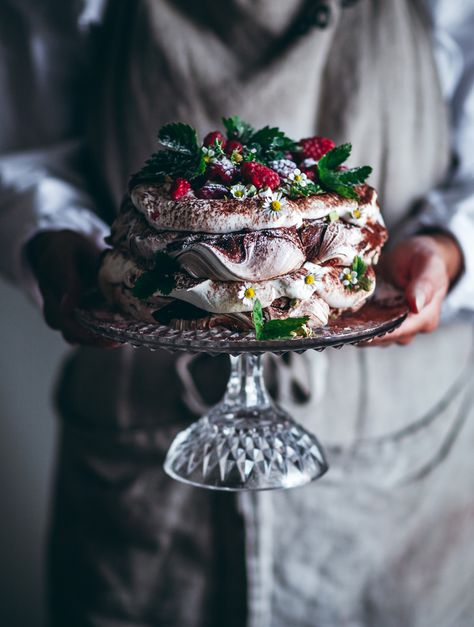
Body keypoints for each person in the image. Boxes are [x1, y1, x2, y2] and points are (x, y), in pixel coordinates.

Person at [1, 1, 474, 625]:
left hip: (399, 472)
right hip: (142, 459)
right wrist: (55, 240)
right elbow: (24, 147)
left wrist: (447, 246)